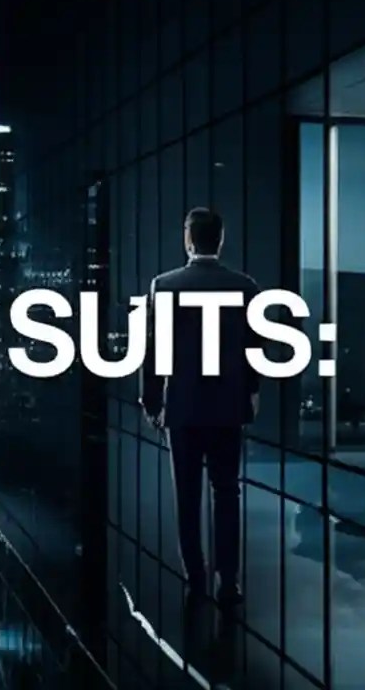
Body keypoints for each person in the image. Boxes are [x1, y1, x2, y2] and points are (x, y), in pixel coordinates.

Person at [141, 207, 260, 606]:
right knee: (227, 493)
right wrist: (251, 394)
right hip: (227, 408)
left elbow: (154, 351)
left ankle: (195, 577)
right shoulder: (245, 287)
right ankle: (229, 581)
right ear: (220, 240)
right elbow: (252, 351)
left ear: (188, 239)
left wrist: (151, 400)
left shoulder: (165, 286)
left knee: (187, 496)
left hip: (184, 409)